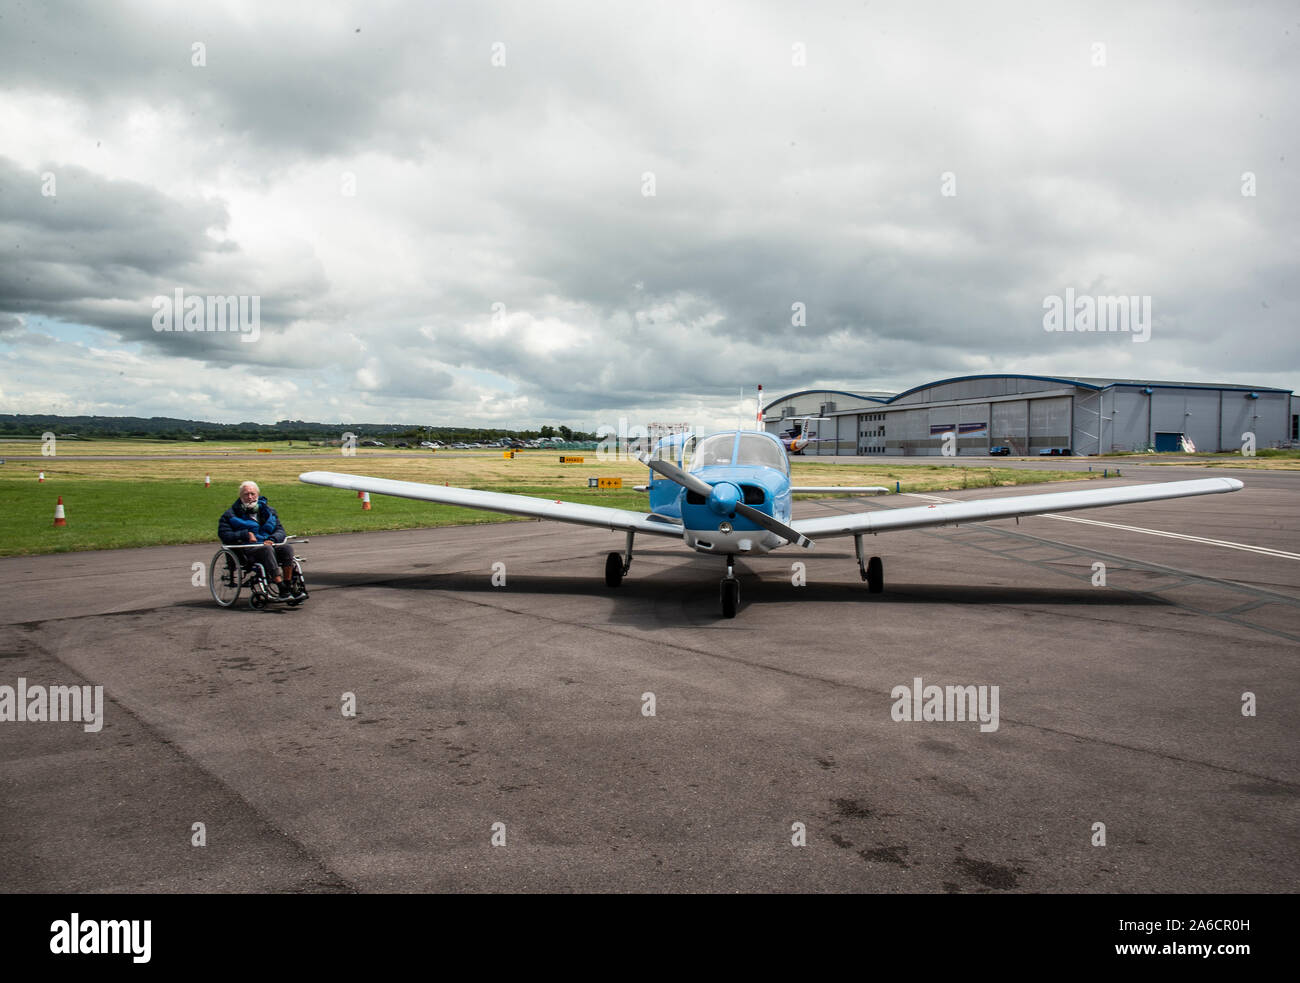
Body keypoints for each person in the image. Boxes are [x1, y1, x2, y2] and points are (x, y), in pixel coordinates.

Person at [218, 481, 302, 599]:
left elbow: (280, 531)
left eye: (252, 494)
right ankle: (280, 586)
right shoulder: (230, 515)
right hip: (247, 551)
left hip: (269, 545)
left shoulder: (269, 512)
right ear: (240, 496)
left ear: (257, 495)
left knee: (286, 548)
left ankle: (288, 585)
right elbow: (224, 535)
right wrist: (245, 535)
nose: (250, 497)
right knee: (266, 550)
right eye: (246, 494)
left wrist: (272, 539)